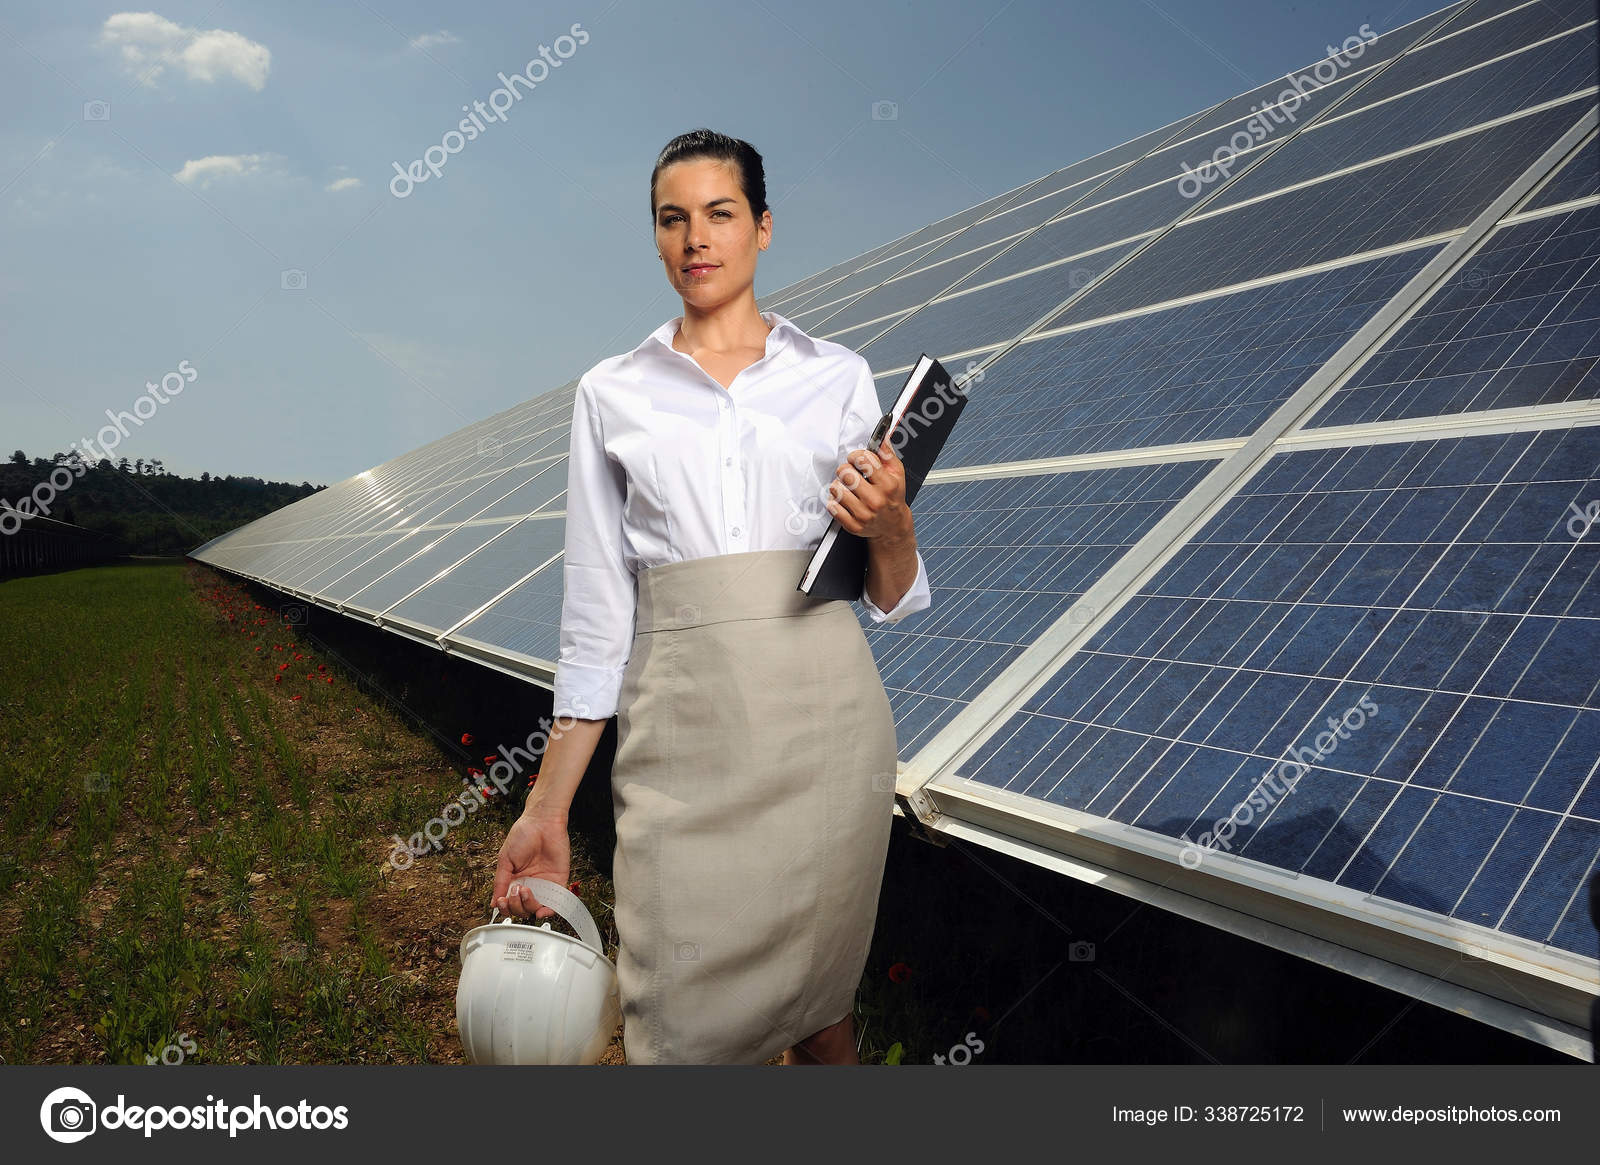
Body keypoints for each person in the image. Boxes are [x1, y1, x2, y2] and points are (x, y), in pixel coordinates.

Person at [491, 128, 932, 1065]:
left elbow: (888, 594)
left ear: (763, 228)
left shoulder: (838, 376)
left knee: (822, 1010)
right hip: (683, 740)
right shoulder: (611, 392)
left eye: (720, 214)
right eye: (672, 219)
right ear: (655, 239)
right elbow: (598, 615)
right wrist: (547, 805)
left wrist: (892, 522)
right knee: (678, 1023)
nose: (696, 237)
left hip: (827, 731)